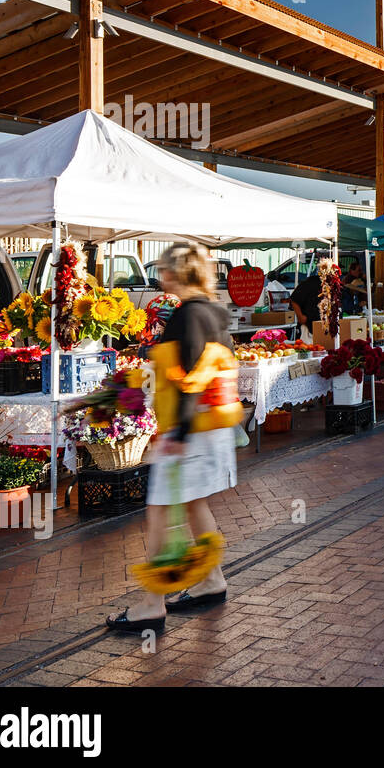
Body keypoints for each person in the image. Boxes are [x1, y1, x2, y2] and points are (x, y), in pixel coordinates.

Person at [106, 244, 239, 634]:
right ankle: (212, 580)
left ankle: (152, 603)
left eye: (166, 271)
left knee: (160, 509)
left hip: (188, 431)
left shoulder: (188, 315)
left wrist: (176, 433)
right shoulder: (214, 310)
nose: (161, 278)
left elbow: (188, 377)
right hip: (210, 431)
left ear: (181, 274)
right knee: (194, 504)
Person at [288, 266, 322, 342]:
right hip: (308, 328)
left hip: (324, 328)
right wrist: (300, 316)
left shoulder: (333, 285)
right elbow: (294, 298)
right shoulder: (312, 282)